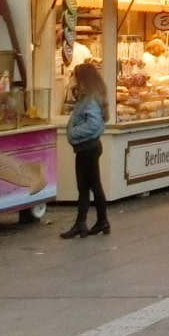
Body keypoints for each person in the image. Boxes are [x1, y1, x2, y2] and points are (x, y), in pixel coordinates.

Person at [61, 61, 111, 238]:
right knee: (91, 185)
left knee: (86, 186)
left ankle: (85, 222)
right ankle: (97, 221)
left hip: (87, 147)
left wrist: (73, 132)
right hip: (90, 146)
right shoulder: (92, 96)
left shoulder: (89, 99)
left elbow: (93, 123)